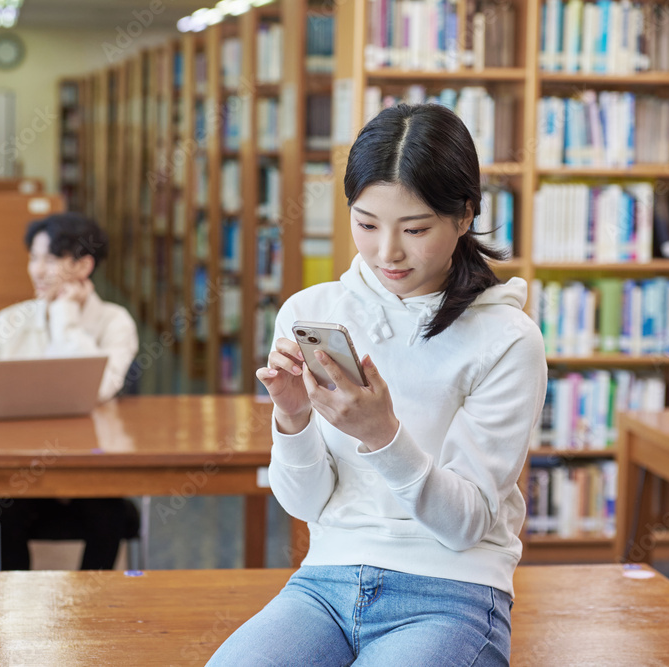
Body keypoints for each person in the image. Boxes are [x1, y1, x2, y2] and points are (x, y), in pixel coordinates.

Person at [208, 104, 547, 666]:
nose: (387, 252)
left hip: (451, 589)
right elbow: (304, 503)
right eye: (366, 224)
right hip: (326, 582)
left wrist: (382, 434)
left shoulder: (508, 337)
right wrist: (292, 419)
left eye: (415, 230)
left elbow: (465, 526)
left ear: (464, 216)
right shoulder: (311, 310)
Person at [0, 212, 140, 570]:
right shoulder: (9, 322)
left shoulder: (115, 322)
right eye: (33, 258)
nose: (37, 270)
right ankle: (17, 611)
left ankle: (90, 613)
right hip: (19, 464)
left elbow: (98, 388)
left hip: (93, 465)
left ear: (84, 265)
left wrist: (66, 319)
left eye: (51, 260)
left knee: (109, 515)